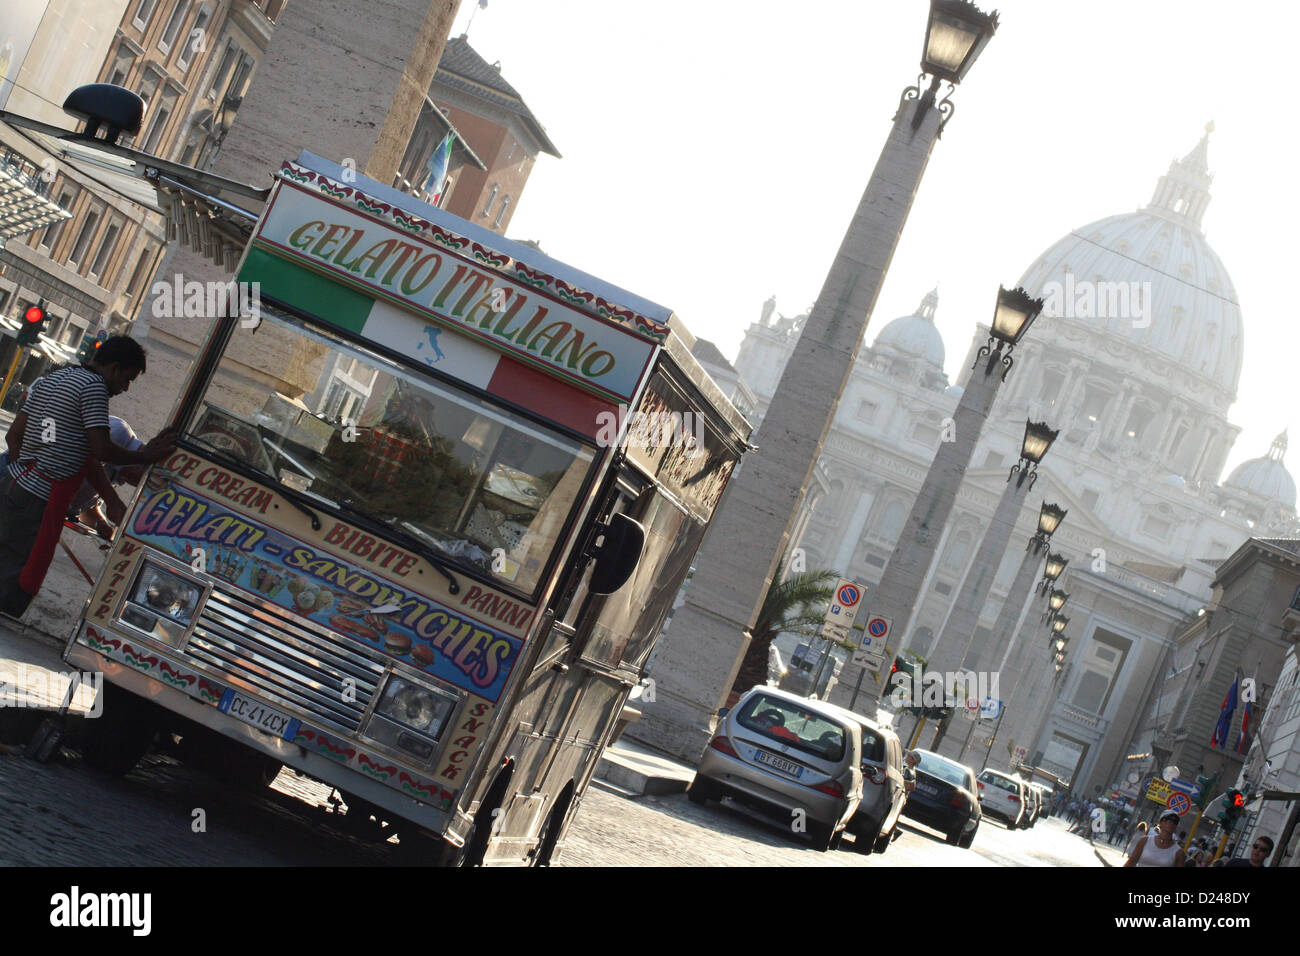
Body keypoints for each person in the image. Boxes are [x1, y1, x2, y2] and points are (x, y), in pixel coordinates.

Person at [0, 336, 173, 616]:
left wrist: (27, 471)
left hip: (14, 484)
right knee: (18, 573)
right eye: (127, 378)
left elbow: (13, 436)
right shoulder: (94, 388)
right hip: (43, 497)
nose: (125, 388)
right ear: (113, 368)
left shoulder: (51, 379)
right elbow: (101, 449)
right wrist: (145, 456)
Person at [67, 417, 146, 537]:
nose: (133, 482)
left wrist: (101, 524)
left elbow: (87, 507)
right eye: (139, 478)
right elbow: (86, 462)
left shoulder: (117, 473)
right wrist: (112, 501)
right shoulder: (120, 432)